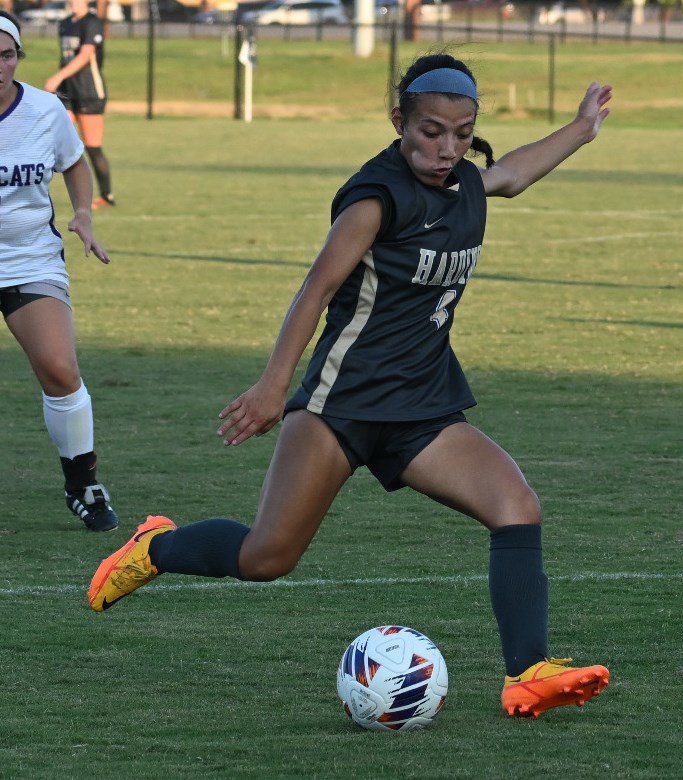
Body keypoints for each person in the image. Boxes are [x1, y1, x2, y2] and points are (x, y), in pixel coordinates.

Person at [86, 54, 614, 719]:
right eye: (429, 131)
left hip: (423, 404)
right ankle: (155, 548)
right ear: (399, 121)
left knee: (516, 507)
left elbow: (511, 173)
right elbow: (318, 288)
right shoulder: (376, 197)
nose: (446, 147)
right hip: (343, 402)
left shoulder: (468, 184)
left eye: (460, 132)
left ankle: (528, 672)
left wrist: (579, 129)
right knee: (267, 556)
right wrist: (274, 386)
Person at [0, 11, 119, 532]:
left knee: (60, 370)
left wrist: (84, 213)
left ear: (18, 58)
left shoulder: (46, 110)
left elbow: (73, 161)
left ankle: (83, 485)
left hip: (28, 258)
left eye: (6, 55)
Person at [43, 0, 113, 209]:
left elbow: (84, 56)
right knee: (52, 138)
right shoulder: (65, 23)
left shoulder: (92, 22)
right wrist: (60, 83)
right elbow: (66, 58)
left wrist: (57, 76)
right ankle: (33, 190)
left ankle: (106, 196)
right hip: (68, 92)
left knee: (92, 147)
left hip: (90, 92)